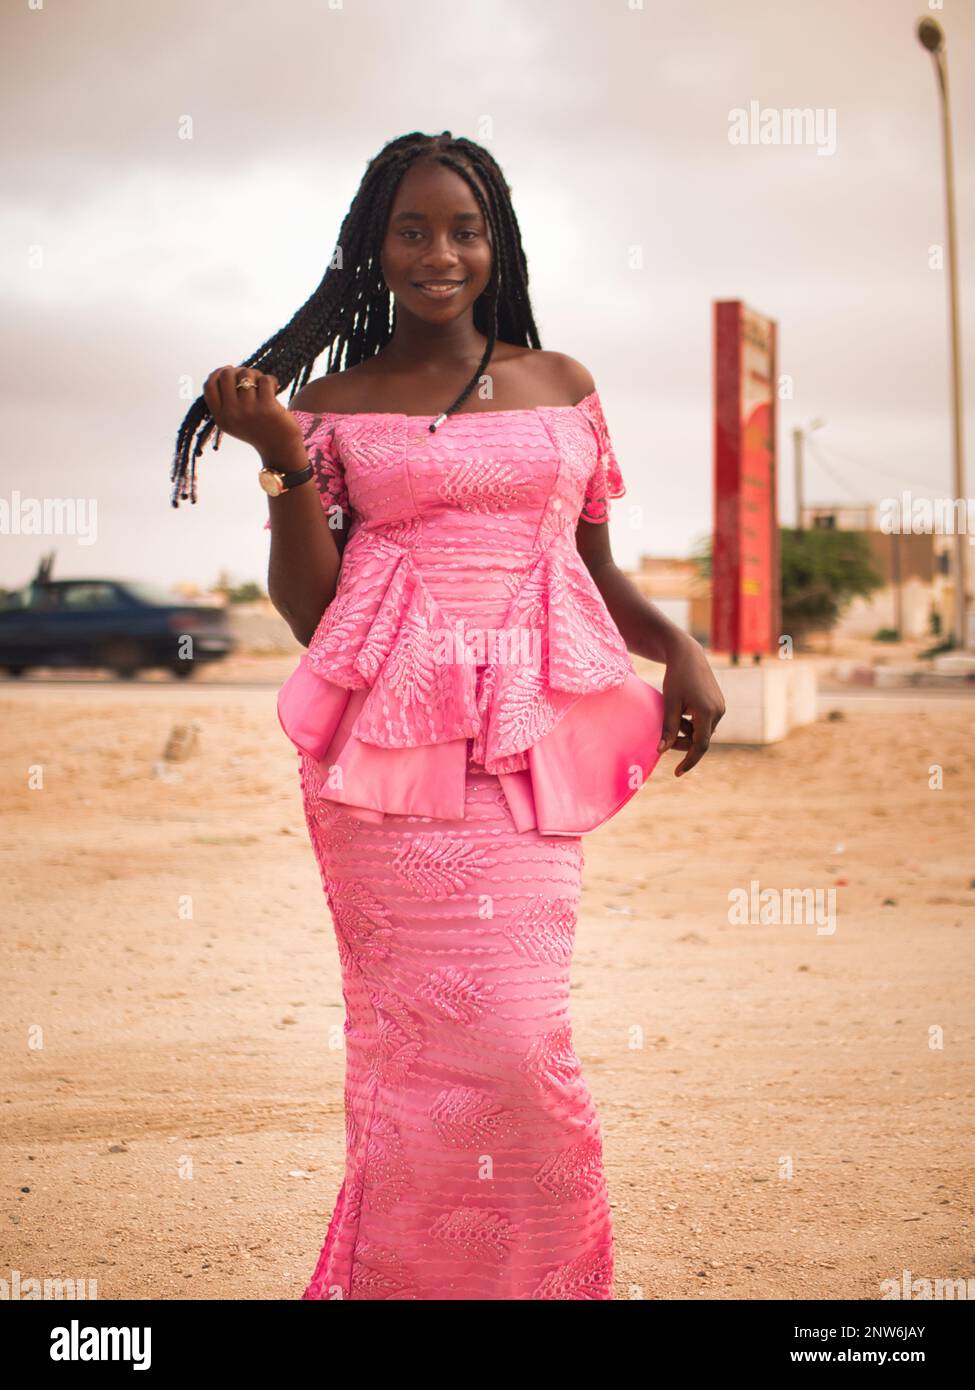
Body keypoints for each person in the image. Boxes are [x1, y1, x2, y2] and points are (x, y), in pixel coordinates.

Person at [172, 130, 725, 1300]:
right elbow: (316, 611)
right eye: (412, 229)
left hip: (526, 755)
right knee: (416, 1057)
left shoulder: (562, 386)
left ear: (497, 242)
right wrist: (281, 460)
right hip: (389, 770)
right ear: (373, 248)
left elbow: (598, 572)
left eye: (464, 229)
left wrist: (677, 647)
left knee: (524, 1048)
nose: (440, 253)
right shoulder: (327, 404)